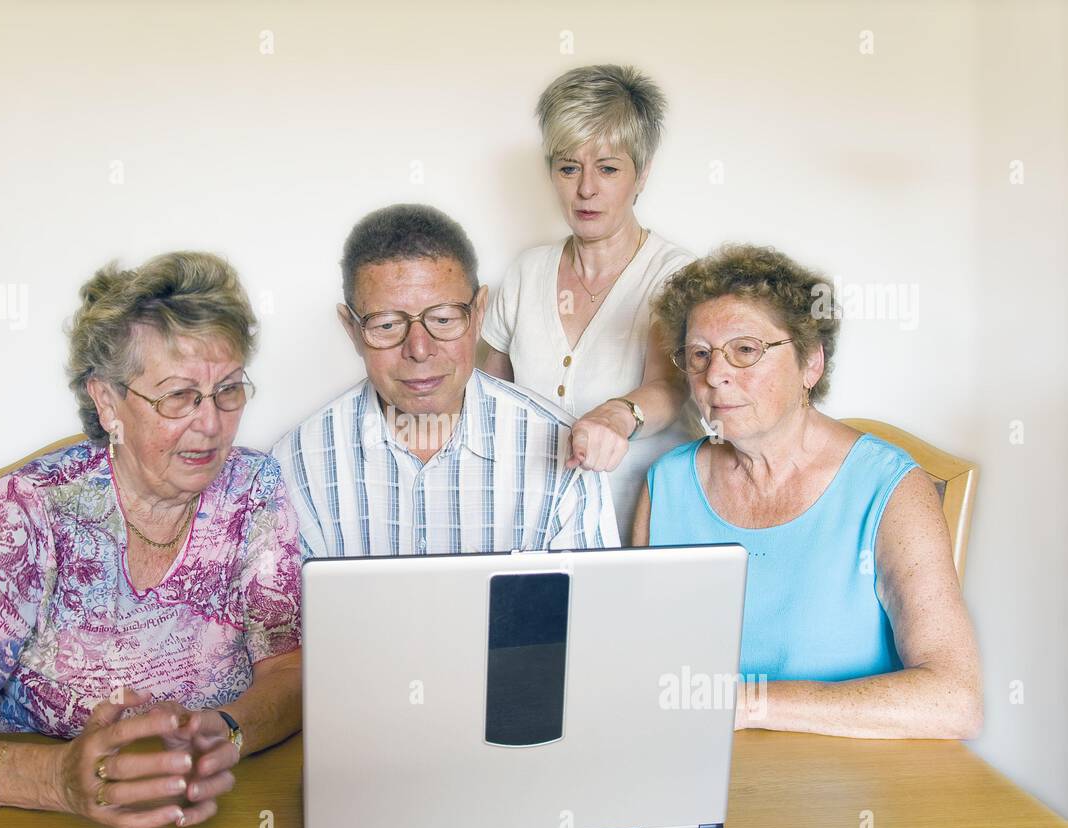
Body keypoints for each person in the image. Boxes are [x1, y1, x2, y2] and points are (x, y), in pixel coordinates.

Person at [0, 251, 304, 828]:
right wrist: (57, 781)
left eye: (228, 390)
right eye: (177, 396)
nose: (211, 423)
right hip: (44, 825)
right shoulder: (31, 513)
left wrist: (230, 729)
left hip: (207, 809)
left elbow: (289, 668)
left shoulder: (252, 490)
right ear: (107, 401)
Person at [632, 244, 982, 739]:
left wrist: (746, 705)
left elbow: (954, 700)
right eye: (699, 355)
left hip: (848, 788)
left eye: (745, 350)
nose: (715, 374)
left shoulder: (891, 487)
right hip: (691, 772)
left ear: (810, 364)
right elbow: (634, 667)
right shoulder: (665, 485)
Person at [273, 203, 619, 558]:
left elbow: (591, 608)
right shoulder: (297, 464)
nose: (419, 350)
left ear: (480, 312)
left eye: (443, 320)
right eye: (387, 325)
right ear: (352, 330)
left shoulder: (564, 454)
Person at [481, 64, 696, 542]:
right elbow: (488, 400)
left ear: (641, 174)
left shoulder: (675, 276)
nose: (586, 189)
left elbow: (671, 387)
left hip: (640, 530)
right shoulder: (524, 273)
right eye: (569, 167)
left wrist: (618, 415)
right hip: (531, 535)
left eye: (608, 168)